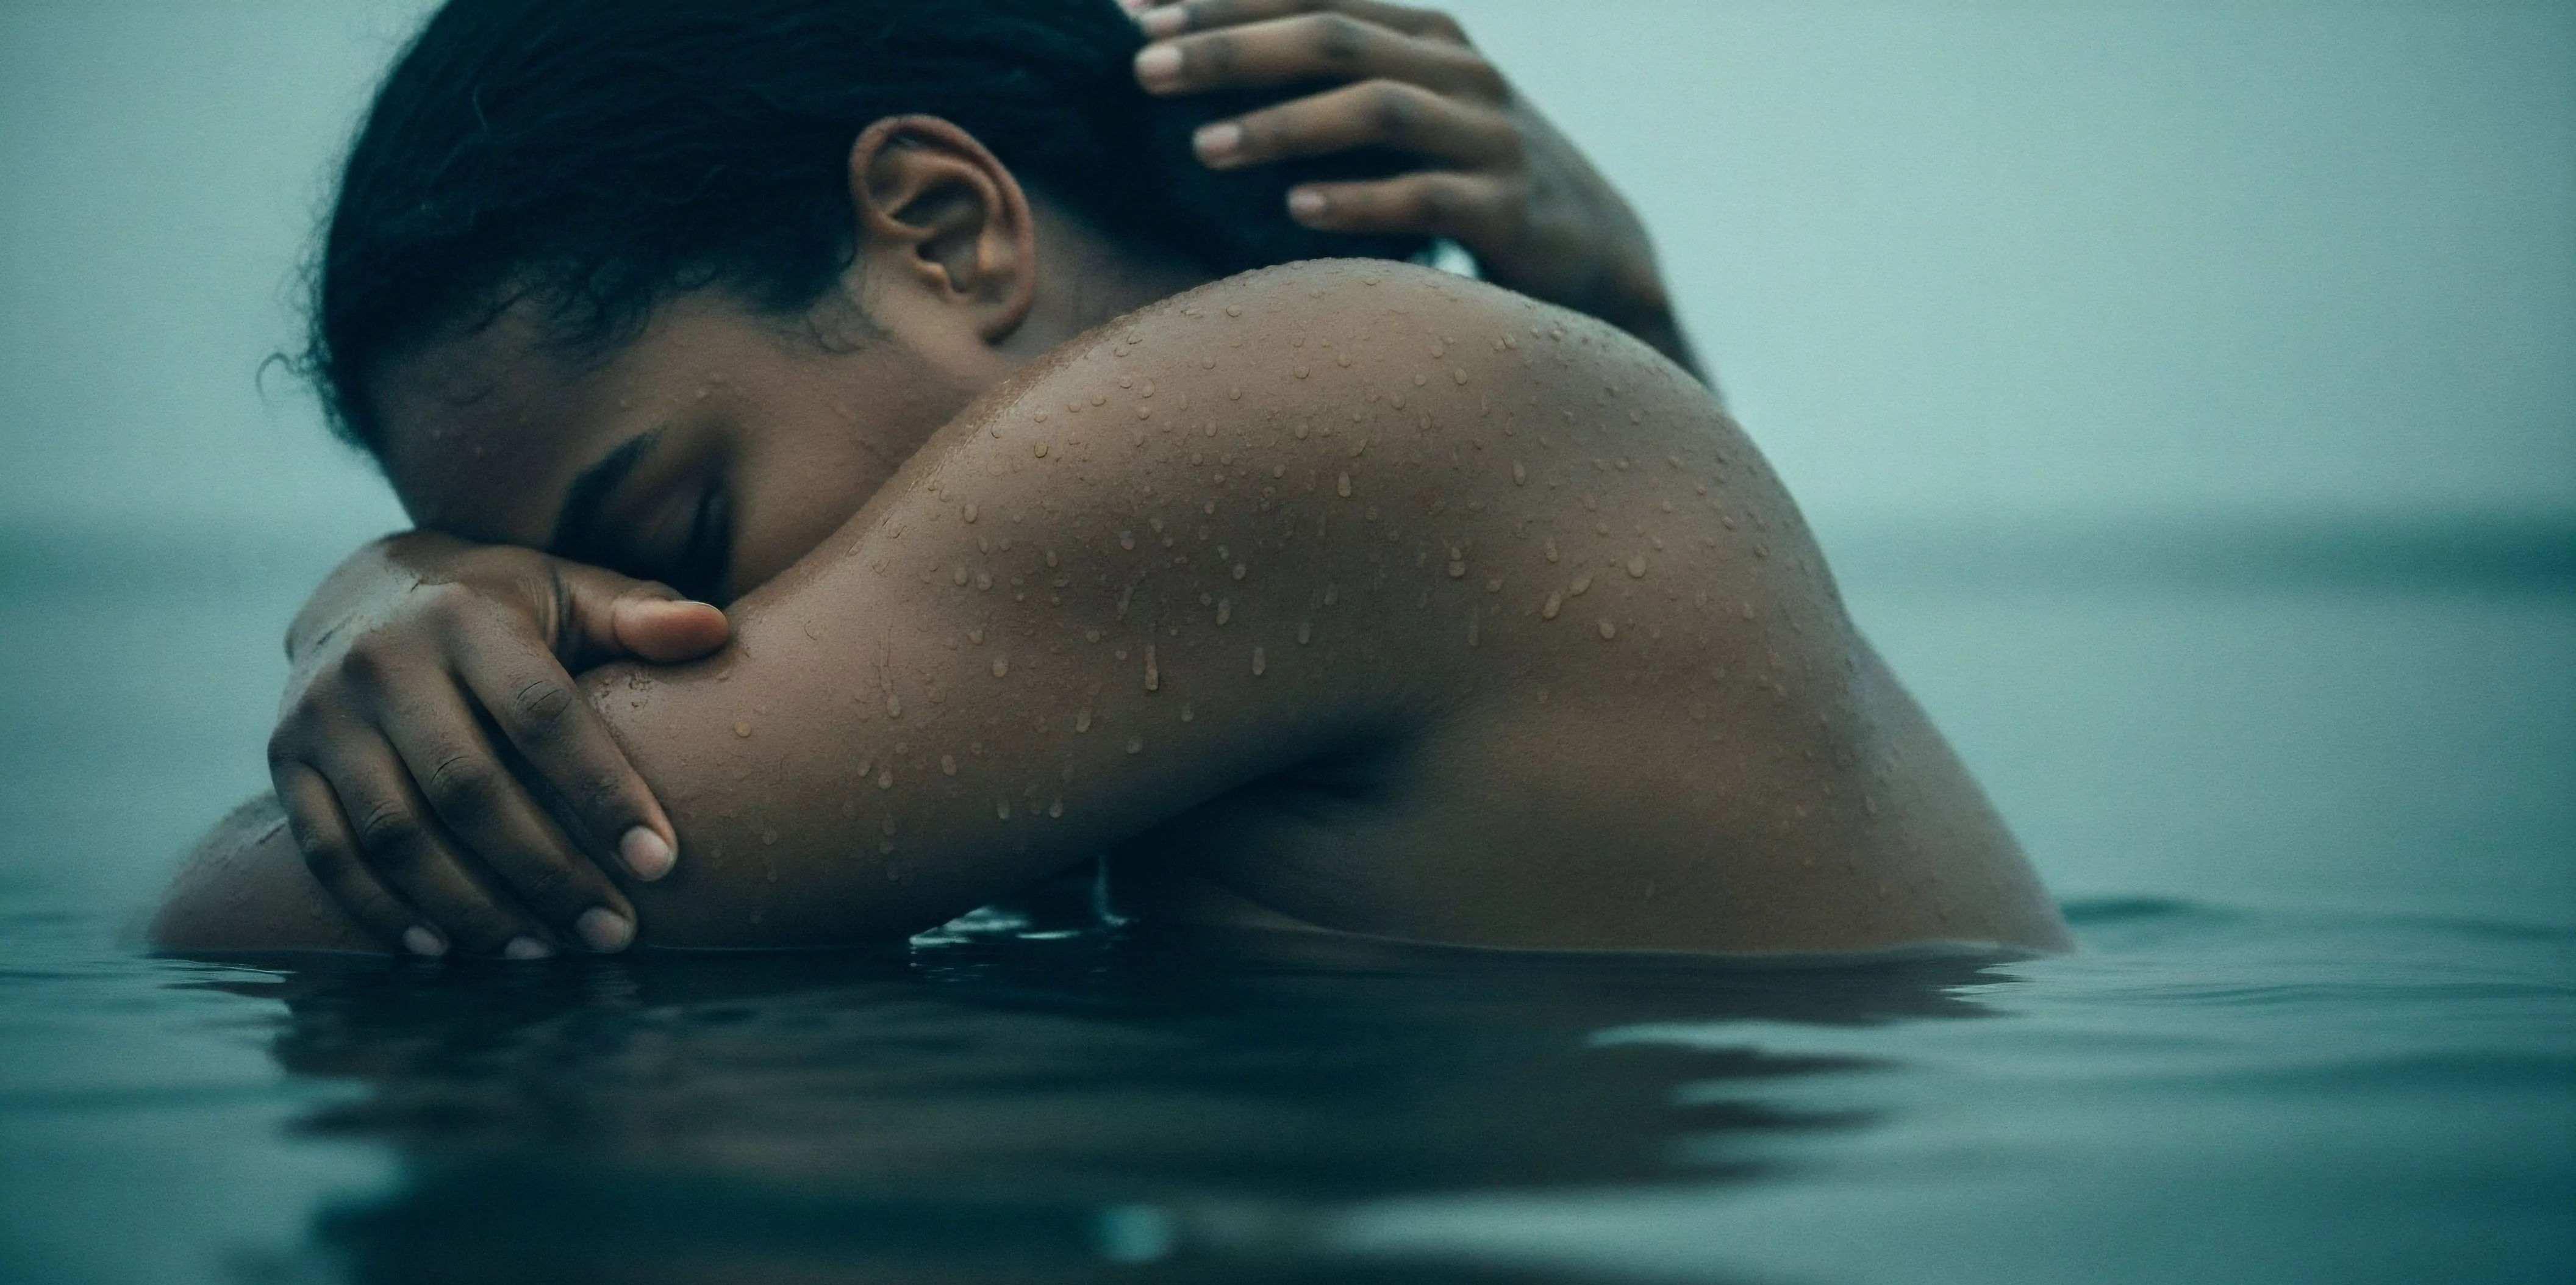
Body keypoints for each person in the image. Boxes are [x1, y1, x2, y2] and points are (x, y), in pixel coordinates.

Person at [150, 0, 2065, 960]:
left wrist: (377, 609)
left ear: (942, 227)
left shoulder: (1323, 392)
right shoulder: (1434, 431)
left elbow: (235, 920)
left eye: (673, 542)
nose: (659, 645)